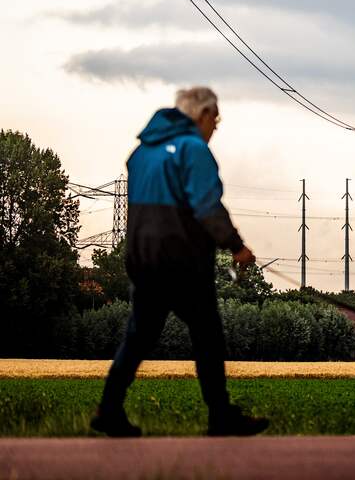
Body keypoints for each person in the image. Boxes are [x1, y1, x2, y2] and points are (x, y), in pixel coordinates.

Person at [91, 87, 268, 437]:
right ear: (200, 116)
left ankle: (109, 408)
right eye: (214, 120)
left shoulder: (141, 153)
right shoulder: (193, 149)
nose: (214, 128)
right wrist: (236, 246)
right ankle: (220, 416)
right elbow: (205, 206)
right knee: (208, 336)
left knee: (139, 336)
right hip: (182, 259)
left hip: (142, 257)